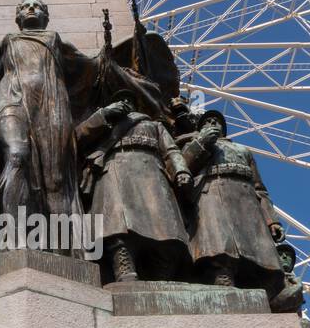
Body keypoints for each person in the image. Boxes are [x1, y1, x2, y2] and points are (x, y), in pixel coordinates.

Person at [77, 90, 192, 282]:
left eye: (129, 100)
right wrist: (104, 114)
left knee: (167, 229)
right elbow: (78, 137)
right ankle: (124, 271)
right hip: (116, 170)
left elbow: (171, 151)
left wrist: (181, 171)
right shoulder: (104, 123)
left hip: (152, 173)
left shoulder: (153, 125)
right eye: (120, 99)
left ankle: (161, 275)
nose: (124, 103)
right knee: (118, 227)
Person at [181, 110, 287, 293]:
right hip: (213, 193)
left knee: (256, 249)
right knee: (221, 244)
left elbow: (259, 188)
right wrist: (201, 143)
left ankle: (257, 288)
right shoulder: (194, 144)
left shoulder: (243, 151)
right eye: (207, 121)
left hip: (245, 199)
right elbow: (184, 166)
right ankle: (223, 280)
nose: (212, 122)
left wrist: (272, 220)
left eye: (217, 121)